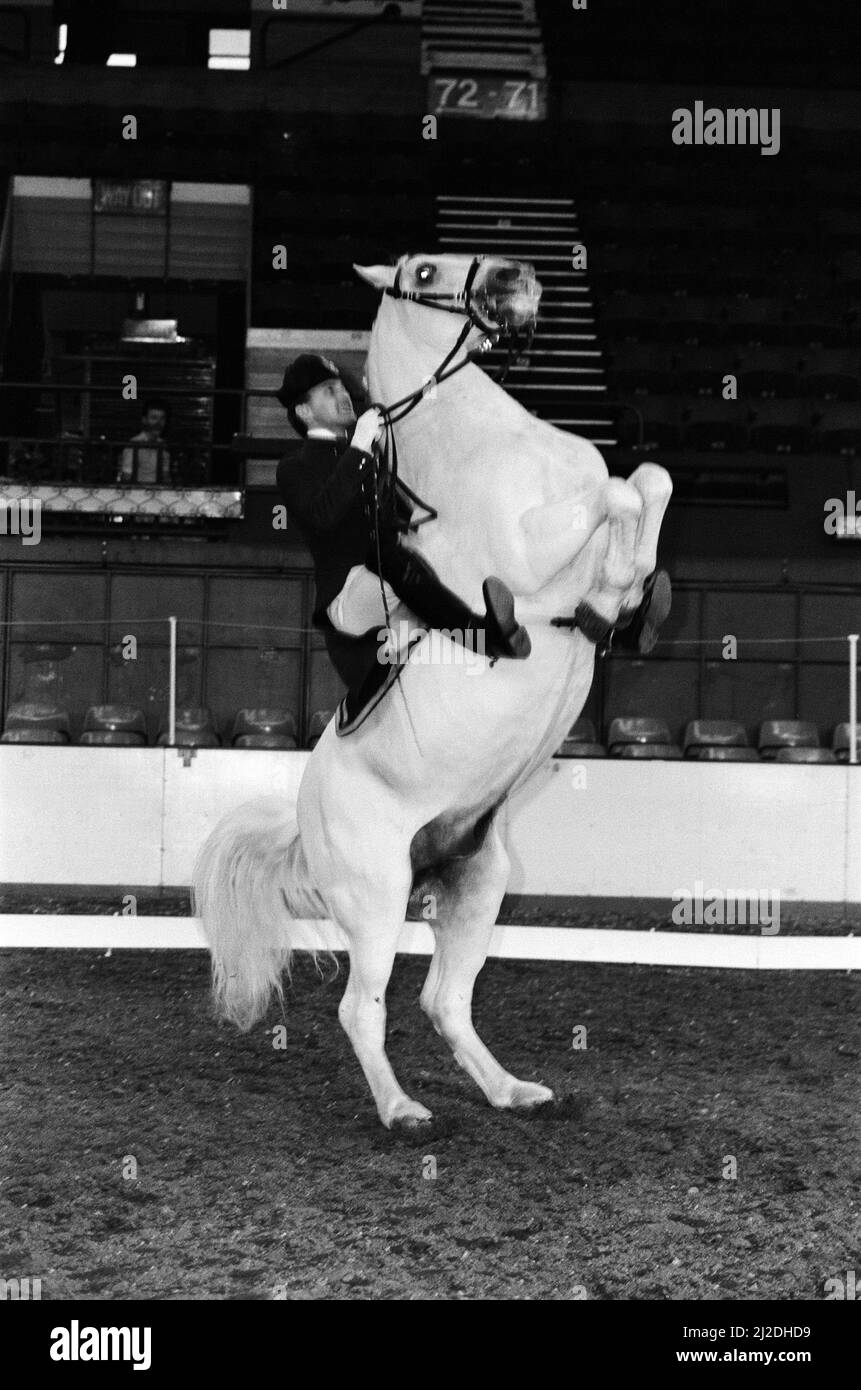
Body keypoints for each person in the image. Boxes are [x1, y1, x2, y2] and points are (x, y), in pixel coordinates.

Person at [274, 354, 531, 693]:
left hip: (388, 585)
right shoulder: (294, 467)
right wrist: (361, 448)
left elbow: (400, 517)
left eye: (341, 387)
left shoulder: (365, 455)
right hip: (347, 595)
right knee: (394, 556)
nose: (343, 395)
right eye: (328, 391)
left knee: (426, 552)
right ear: (304, 412)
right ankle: (485, 638)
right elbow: (324, 515)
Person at [117, 398, 171, 485]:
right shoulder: (134, 444)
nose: (158, 423)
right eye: (154, 418)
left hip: (159, 495)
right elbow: (126, 477)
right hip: (138, 495)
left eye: (162, 418)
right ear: (144, 420)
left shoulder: (163, 444)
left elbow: (165, 476)